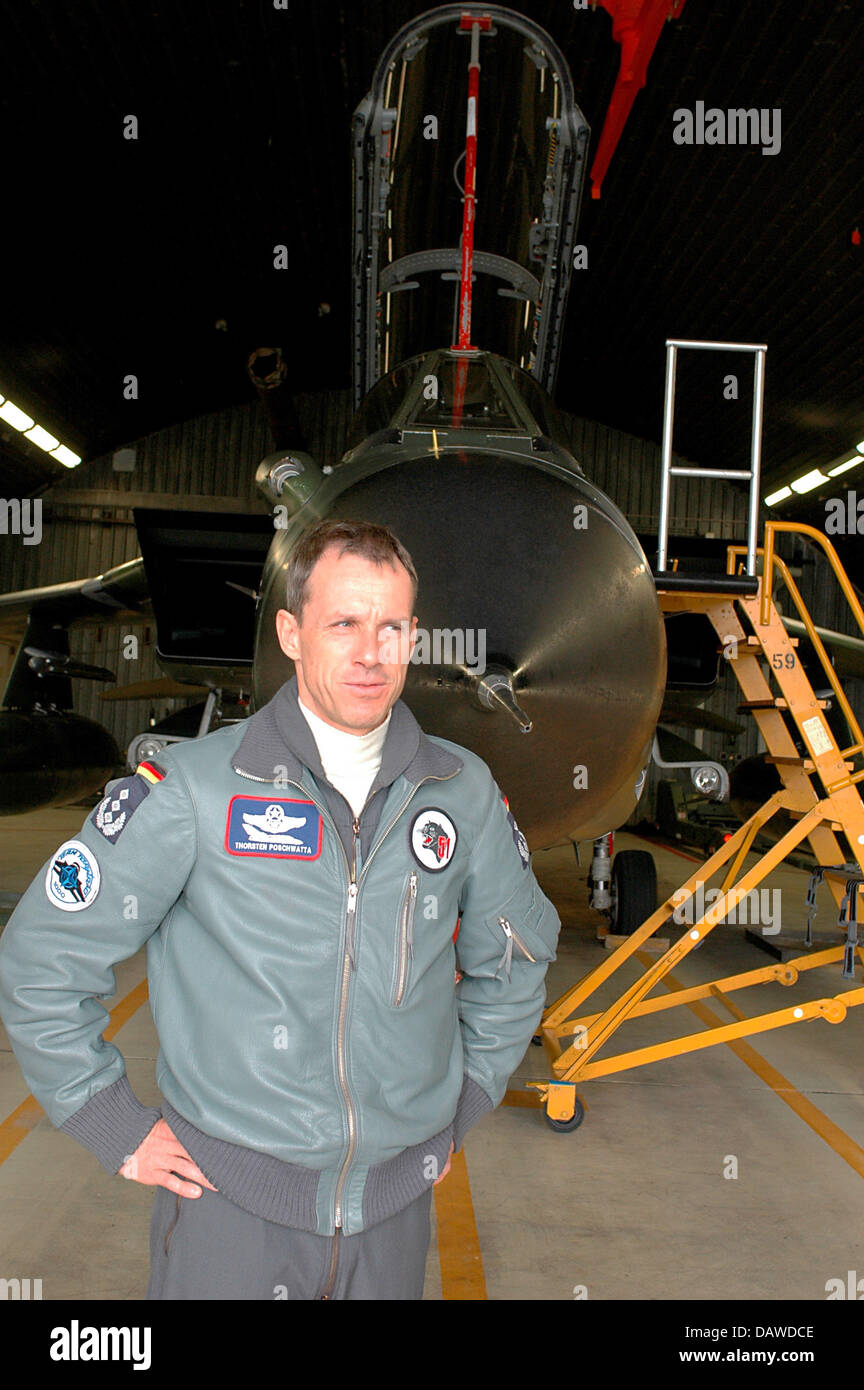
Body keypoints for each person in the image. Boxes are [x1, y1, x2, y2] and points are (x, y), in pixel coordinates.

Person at [0, 519, 561, 1300]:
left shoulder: (460, 791)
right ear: (292, 633)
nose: (371, 654)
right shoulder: (195, 790)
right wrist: (111, 1124)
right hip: (227, 1214)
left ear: (414, 635)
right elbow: (43, 958)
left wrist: (463, 1103)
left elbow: (517, 954)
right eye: (344, 624)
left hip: (393, 1217)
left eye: (391, 627)